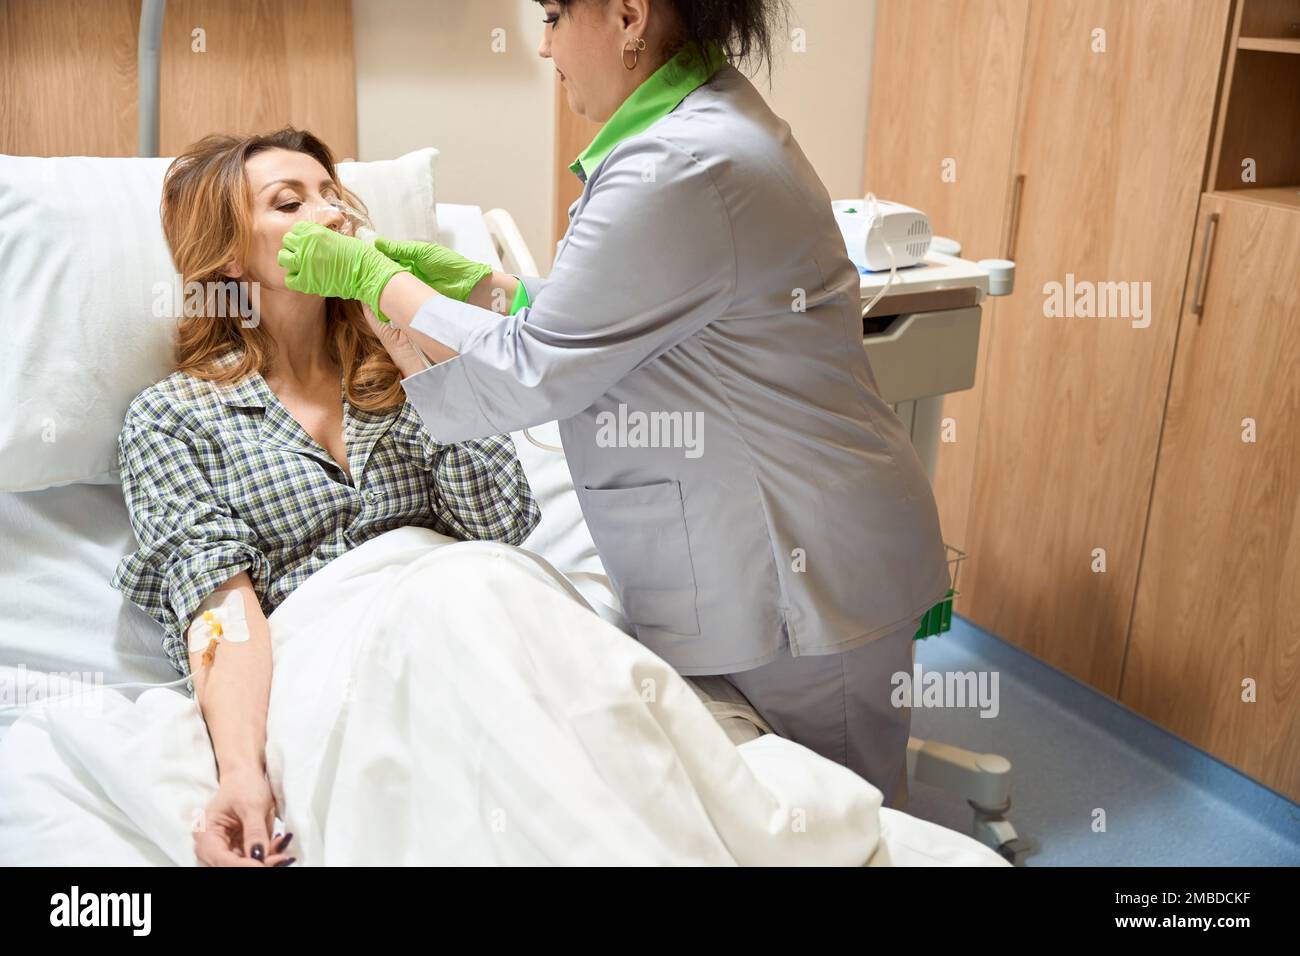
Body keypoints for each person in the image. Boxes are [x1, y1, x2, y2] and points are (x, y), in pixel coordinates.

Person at [276, 0, 950, 808]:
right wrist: (486, 287)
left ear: (630, 17)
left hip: (802, 567)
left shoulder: (680, 164)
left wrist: (381, 282)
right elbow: (614, 311)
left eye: (557, 15)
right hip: (757, 550)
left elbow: (535, 371)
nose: (544, 43)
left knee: (847, 825)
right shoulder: (693, 130)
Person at [112, 128, 540, 865]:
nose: (332, 215)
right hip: (341, 662)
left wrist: (410, 339)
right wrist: (241, 771)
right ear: (231, 255)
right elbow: (222, 611)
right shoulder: (176, 417)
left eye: (333, 194)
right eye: (290, 202)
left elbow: (500, 527)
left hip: (480, 621)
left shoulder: (401, 372)